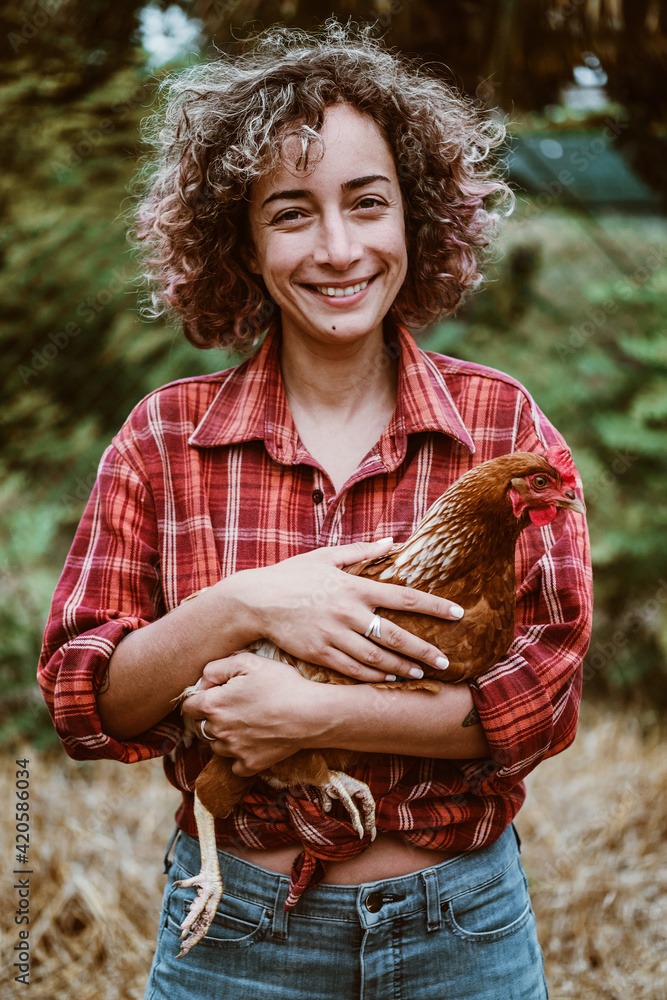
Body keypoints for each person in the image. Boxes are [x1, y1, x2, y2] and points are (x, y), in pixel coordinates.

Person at [38, 21, 592, 1000]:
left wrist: (317, 713)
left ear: (417, 216)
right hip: (236, 937)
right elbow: (86, 703)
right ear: (241, 243)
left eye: (367, 203)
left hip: (460, 934)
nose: (338, 248)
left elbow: (539, 700)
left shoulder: (500, 425)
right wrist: (244, 604)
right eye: (291, 213)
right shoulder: (165, 438)